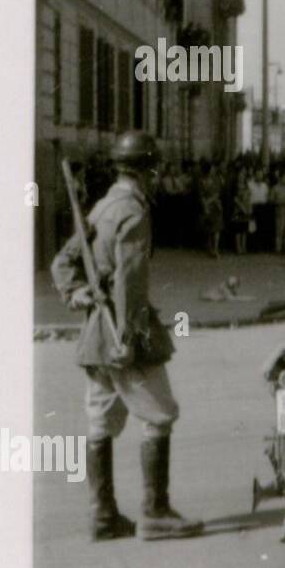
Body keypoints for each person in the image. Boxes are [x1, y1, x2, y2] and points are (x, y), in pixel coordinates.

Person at [49, 130, 203, 542]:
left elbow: (63, 261)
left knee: (101, 421)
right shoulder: (133, 212)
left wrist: (75, 292)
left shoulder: (102, 207)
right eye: (155, 170)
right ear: (147, 171)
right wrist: (130, 339)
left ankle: (102, 517)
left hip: (96, 334)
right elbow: (130, 283)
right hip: (121, 333)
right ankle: (155, 512)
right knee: (161, 413)